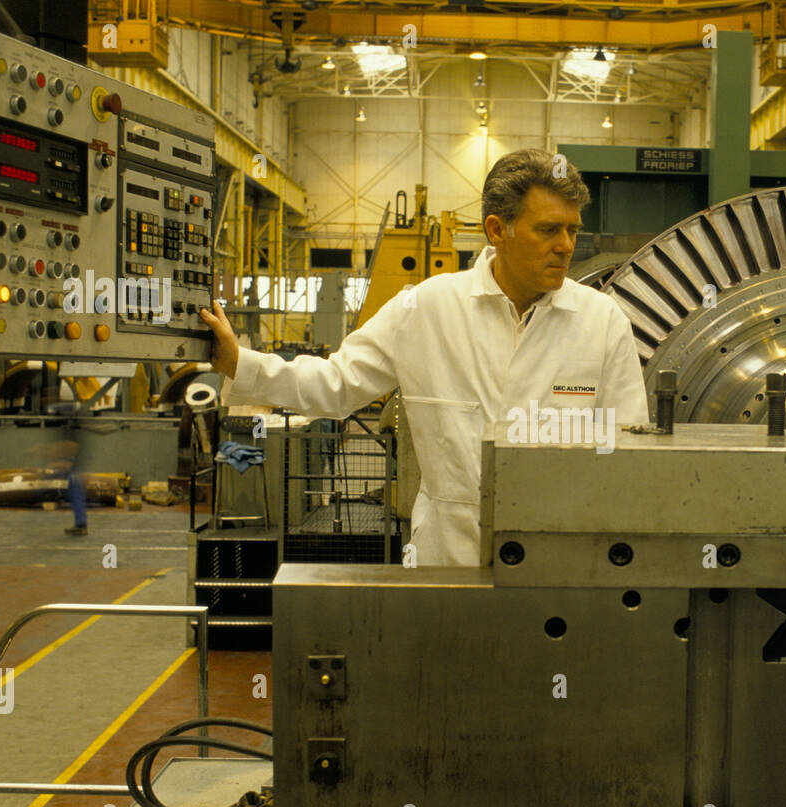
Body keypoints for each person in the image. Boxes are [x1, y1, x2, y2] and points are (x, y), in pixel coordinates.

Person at [199, 148, 650, 566]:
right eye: (549, 230)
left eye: (573, 229)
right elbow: (336, 385)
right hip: (448, 561)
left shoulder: (601, 321)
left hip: (562, 562)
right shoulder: (426, 309)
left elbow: (631, 453)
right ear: (498, 230)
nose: (567, 245)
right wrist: (240, 363)